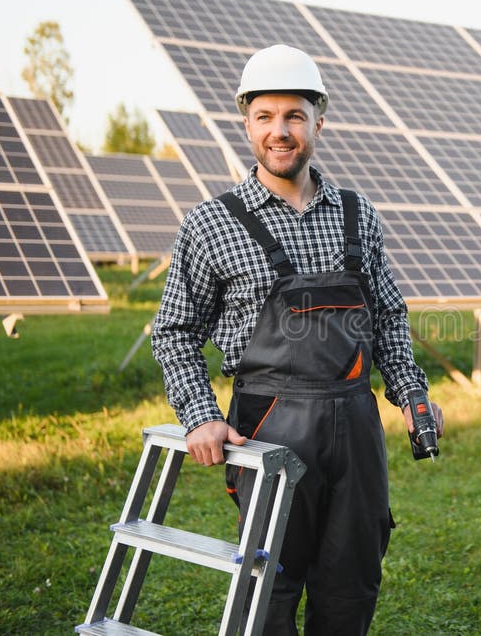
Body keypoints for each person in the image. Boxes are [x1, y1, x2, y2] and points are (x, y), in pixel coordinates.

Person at [151, 43, 442, 635]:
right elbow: (177, 331)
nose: (279, 131)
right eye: (265, 117)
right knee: (270, 587)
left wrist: (412, 395)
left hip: (356, 427)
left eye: (294, 116)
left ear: (318, 121)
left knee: (352, 583)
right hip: (270, 428)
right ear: (247, 122)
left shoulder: (359, 214)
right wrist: (200, 416)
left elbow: (387, 316)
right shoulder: (211, 223)